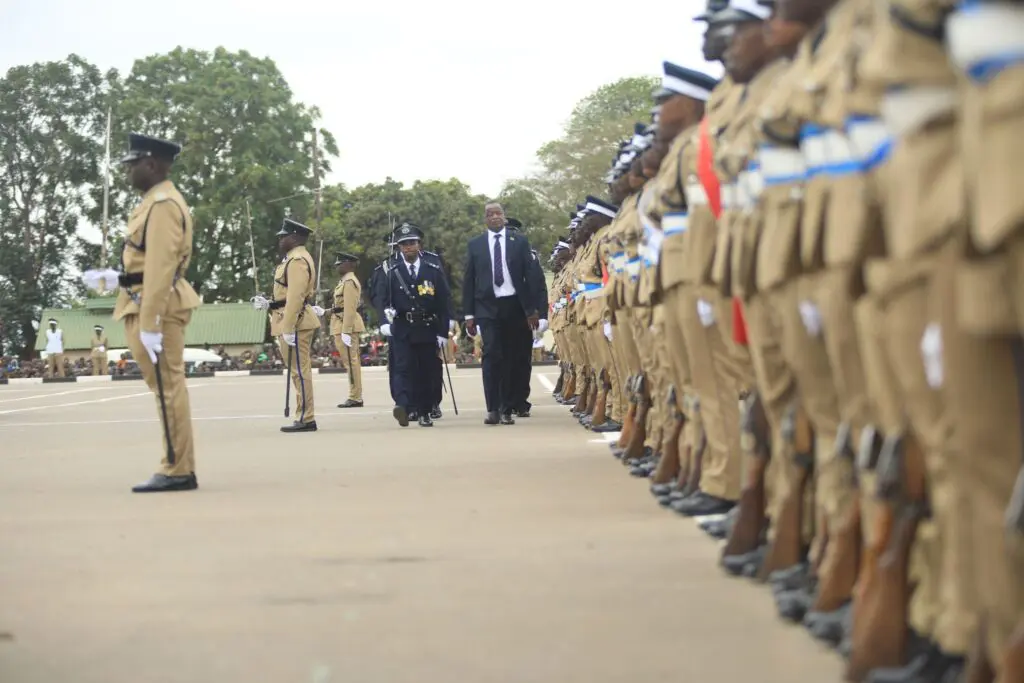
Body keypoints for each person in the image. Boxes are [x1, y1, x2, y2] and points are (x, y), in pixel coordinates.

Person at [113, 133, 201, 493]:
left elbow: (162, 267)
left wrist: (150, 322)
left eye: (133, 164)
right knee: (165, 387)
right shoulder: (154, 202)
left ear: (151, 164)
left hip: (157, 308)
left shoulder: (163, 203)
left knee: (168, 388)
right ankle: (178, 465)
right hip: (144, 301)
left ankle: (177, 468)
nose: (128, 171)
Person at [461, 202, 540, 425]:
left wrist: (532, 310)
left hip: (514, 305)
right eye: (490, 214)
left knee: (509, 356)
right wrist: (468, 314)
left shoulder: (519, 242)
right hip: (486, 306)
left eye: (498, 213)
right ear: (485, 219)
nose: (495, 217)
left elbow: (531, 276)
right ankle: (492, 408)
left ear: (504, 217)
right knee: (491, 353)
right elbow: (469, 280)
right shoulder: (475, 245)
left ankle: (506, 408)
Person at [377, 223, 451, 427]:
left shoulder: (433, 270)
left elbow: (443, 302)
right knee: (402, 368)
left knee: (425, 370)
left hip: (427, 327)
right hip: (402, 326)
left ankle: (425, 411)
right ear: (399, 247)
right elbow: (382, 299)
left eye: (412, 243)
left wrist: (443, 331)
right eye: (404, 244)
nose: (408, 247)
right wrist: (384, 320)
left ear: (419, 245)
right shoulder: (392, 271)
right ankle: (403, 405)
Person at [271, 218, 320, 433]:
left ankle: (306, 417)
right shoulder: (291, 259)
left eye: (284, 236)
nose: (281, 239)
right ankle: (303, 413)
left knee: (300, 370)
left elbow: (296, 296)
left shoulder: (297, 260)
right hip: (289, 318)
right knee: (297, 371)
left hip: (295, 322)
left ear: (295, 237)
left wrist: (288, 327)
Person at [330, 252, 365, 408]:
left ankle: (355, 396)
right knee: (349, 362)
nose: (338, 265)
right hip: (341, 323)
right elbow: (341, 306)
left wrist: (346, 330)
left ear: (350, 265)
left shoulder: (349, 281)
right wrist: (324, 311)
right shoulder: (344, 281)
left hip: (346, 325)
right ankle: (354, 394)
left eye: (341, 263)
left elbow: (350, 308)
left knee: (351, 362)